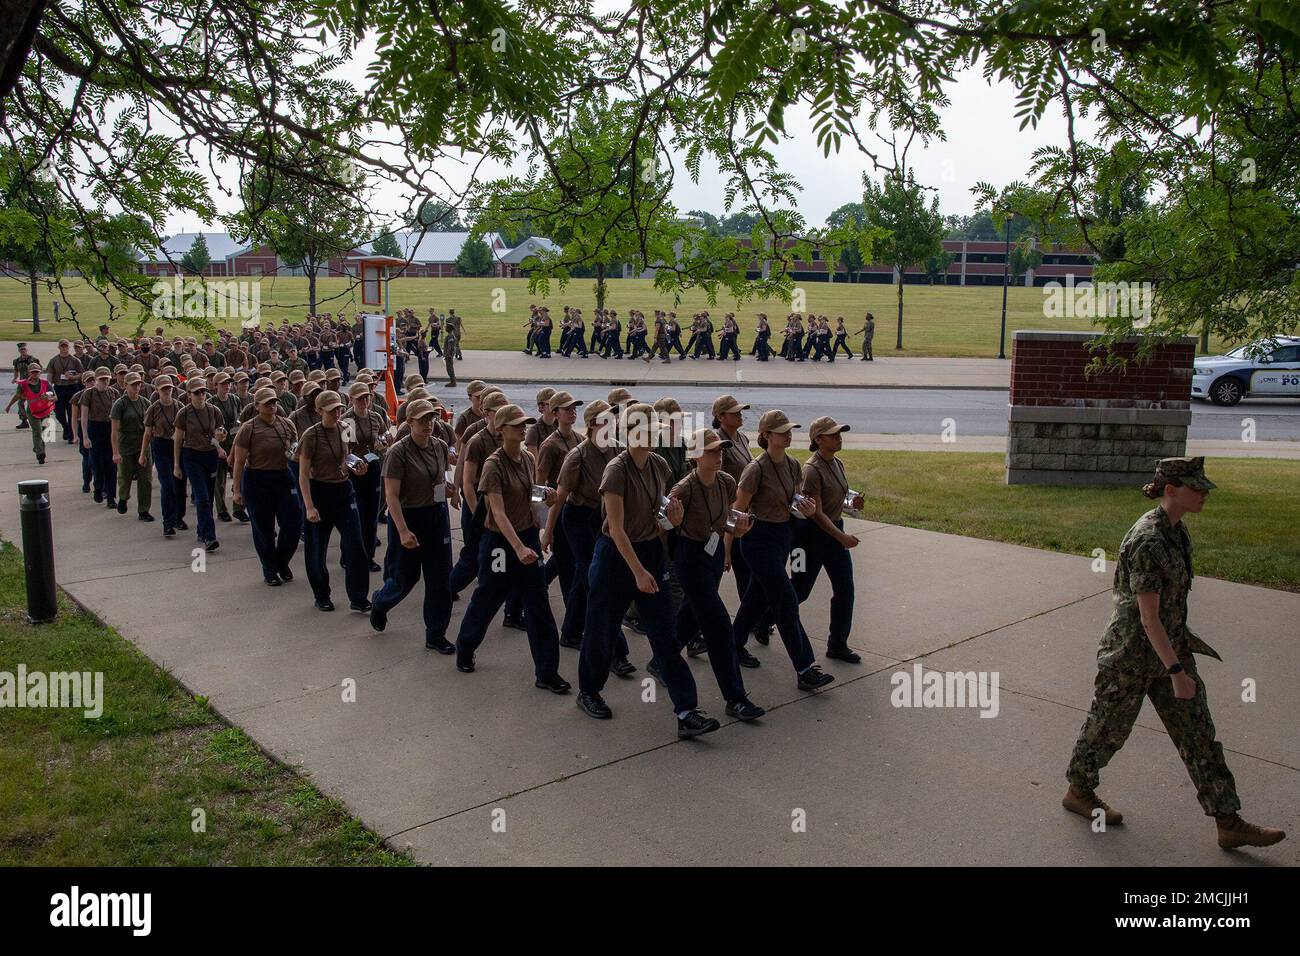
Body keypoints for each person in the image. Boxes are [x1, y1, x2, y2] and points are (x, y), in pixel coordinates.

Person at [1063, 457, 1286, 850]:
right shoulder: (1148, 539)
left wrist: (1177, 661)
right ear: (1171, 490)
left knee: (1199, 736)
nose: (1203, 494)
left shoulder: (1176, 532)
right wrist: (1177, 671)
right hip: (1131, 657)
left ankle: (1228, 821)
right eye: (1195, 488)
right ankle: (1079, 791)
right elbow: (1148, 618)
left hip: (1169, 650)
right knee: (1107, 731)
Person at [576, 402, 719, 737]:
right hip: (616, 558)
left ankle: (686, 711)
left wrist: (672, 521)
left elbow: (658, 516)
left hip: (650, 552)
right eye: (650, 428)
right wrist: (638, 572)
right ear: (631, 433)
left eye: (657, 426)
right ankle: (589, 691)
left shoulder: (658, 466)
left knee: (665, 636)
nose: (657, 432)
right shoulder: (616, 471)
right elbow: (616, 528)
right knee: (602, 630)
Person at [454, 404, 571, 694]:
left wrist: (546, 497)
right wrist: (518, 548)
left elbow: (528, 491)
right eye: (517, 424)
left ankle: (546, 672)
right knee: (488, 597)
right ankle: (465, 647)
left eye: (524, 423)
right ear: (501, 430)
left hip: (527, 538)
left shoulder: (528, 458)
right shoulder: (493, 465)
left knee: (539, 605)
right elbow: (498, 512)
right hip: (500, 544)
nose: (523, 428)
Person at [729, 410, 835, 691]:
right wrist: (727, 548)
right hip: (757, 539)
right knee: (786, 601)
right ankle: (804, 668)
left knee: (755, 599)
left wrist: (804, 508)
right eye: (782, 430)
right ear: (766, 436)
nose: (788, 434)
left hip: (781, 536)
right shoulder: (755, 469)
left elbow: (794, 499)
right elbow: (736, 510)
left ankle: (733, 644)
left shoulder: (792, 465)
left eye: (790, 429)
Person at [669, 428, 766, 720]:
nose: (719, 455)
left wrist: (735, 532)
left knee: (692, 615)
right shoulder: (683, 489)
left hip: (711, 556)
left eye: (721, 450)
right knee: (719, 625)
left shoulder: (725, 482)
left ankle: (663, 657)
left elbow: (726, 520)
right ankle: (735, 697)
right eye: (712, 451)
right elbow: (663, 525)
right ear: (696, 456)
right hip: (690, 558)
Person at [543, 400, 634, 674]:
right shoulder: (578, 456)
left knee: (585, 578)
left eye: (614, 419)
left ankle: (570, 631)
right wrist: (547, 532)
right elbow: (559, 499)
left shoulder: (617, 449)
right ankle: (617, 651)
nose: (613, 423)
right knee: (596, 578)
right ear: (593, 424)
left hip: (602, 518)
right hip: (577, 518)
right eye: (607, 419)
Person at [370, 399, 457, 652]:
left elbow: (441, 479)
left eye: (432, 418)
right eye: (422, 420)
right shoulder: (399, 452)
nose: (429, 424)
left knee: (440, 579)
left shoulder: (440, 446)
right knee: (404, 579)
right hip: (408, 518)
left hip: (436, 516)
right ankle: (381, 603)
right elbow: (391, 496)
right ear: (409, 422)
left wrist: (449, 490)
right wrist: (403, 531)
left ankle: (436, 634)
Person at [791, 417, 860, 663]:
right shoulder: (811, 470)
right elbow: (816, 513)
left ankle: (837, 644)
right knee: (799, 589)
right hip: (810, 537)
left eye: (839, 433)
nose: (839, 437)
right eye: (833, 434)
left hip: (834, 532)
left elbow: (835, 499)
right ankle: (762, 619)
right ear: (818, 439)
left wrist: (850, 503)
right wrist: (842, 537)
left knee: (845, 590)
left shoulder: (837, 463)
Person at [298, 390, 371, 612]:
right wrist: (309, 506)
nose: (337, 413)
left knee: (355, 545)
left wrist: (355, 467)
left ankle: (358, 597)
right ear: (320, 411)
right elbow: (302, 474)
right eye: (332, 410)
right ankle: (322, 595)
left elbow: (346, 455)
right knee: (316, 548)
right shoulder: (311, 436)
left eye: (339, 408)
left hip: (343, 490)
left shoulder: (346, 426)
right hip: (320, 491)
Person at [231, 387, 301, 586]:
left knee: (293, 524)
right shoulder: (249, 428)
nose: (272, 406)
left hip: (283, 476)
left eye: (274, 402)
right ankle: (269, 568)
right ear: (257, 406)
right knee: (264, 528)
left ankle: (281, 561)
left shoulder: (287, 424)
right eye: (267, 403)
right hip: (257, 479)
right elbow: (239, 461)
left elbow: (295, 450)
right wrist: (237, 490)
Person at [173, 377, 227, 551]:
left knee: (209, 497)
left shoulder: (214, 410)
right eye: (197, 392)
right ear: (189, 395)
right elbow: (178, 440)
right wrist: (176, 465)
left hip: (210, 455)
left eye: (203, 391)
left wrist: (220, 439)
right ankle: (209, 537)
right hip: (191, 456)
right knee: (202, 497)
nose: (201, 395)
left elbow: (220, 432)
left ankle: (201, 529)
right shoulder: (183, 414)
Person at [341, 381, 388, 573]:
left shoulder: (375, 416)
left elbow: (384, 435)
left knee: (371, 515)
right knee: (356, 516)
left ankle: (368, 556)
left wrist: (383, 442)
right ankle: (349, 554)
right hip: (355, 471)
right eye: (360, 398)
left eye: (366, 397)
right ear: (351, 399)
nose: (364, 401)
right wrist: (354, 465)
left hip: (372, 467)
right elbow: (345, 450)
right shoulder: (347, 420)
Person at [141, 375, 187, 537]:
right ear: (157, 390)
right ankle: (167, 523)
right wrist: (143, 454)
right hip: (161, 446)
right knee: (167, 486)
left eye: (169, 388)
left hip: (178, 447)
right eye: (164, 388)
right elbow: (147, 433)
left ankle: (178, 517)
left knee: (180, 486)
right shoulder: (153, 409)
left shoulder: (179, 407)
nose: (167, 391)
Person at [109, 372, 153, 519]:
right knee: (125, 476)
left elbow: (151, 424)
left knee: (145, 479)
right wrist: (115, 452)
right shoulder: (120, 404)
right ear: (125, 385)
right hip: (126, 443)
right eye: (133, 384)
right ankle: (123, 497)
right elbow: (114, 431)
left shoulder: (145, 402)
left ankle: (143, 510)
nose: (136, 387)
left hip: (143, 444)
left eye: (138, 384)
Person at [81, 367, 120, 508]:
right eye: (102, 379)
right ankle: (98, 488)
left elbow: (117, 416)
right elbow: (84, 416)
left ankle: (111, 497)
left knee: (111, 466)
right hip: (94, 428)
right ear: (96, 379)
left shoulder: (114, 393)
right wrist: (85, 436)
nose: (105, 381)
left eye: (107, 378)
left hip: (110, 428)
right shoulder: (89, 394)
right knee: (98, 464)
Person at [8, 360, 54, 464]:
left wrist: (48, 398)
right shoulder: (23, 384)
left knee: (43, 431)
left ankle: (37, 447)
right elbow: (17, 396)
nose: (35, 374)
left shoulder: (46, 383)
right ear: (29, 373)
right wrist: (9, 406)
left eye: (37, 372)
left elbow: (55, 397)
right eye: (33, 372)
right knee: (37, 431)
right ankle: (40, 453)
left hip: (45, 411)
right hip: (32, 412)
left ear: (40, 372)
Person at [47, 339, 83, 442]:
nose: (64, 348)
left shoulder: (75, 360)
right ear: (59, 347)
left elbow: (81, 373)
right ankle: (66, 427)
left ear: (68, 347)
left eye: (66, 346)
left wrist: (73, 377)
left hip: (72, 387)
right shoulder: (54, 360)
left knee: (72, 412)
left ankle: (71, 435)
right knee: (58, 412)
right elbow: (50, 374)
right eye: (62, 346)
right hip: (59, 388)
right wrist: (49, 388)